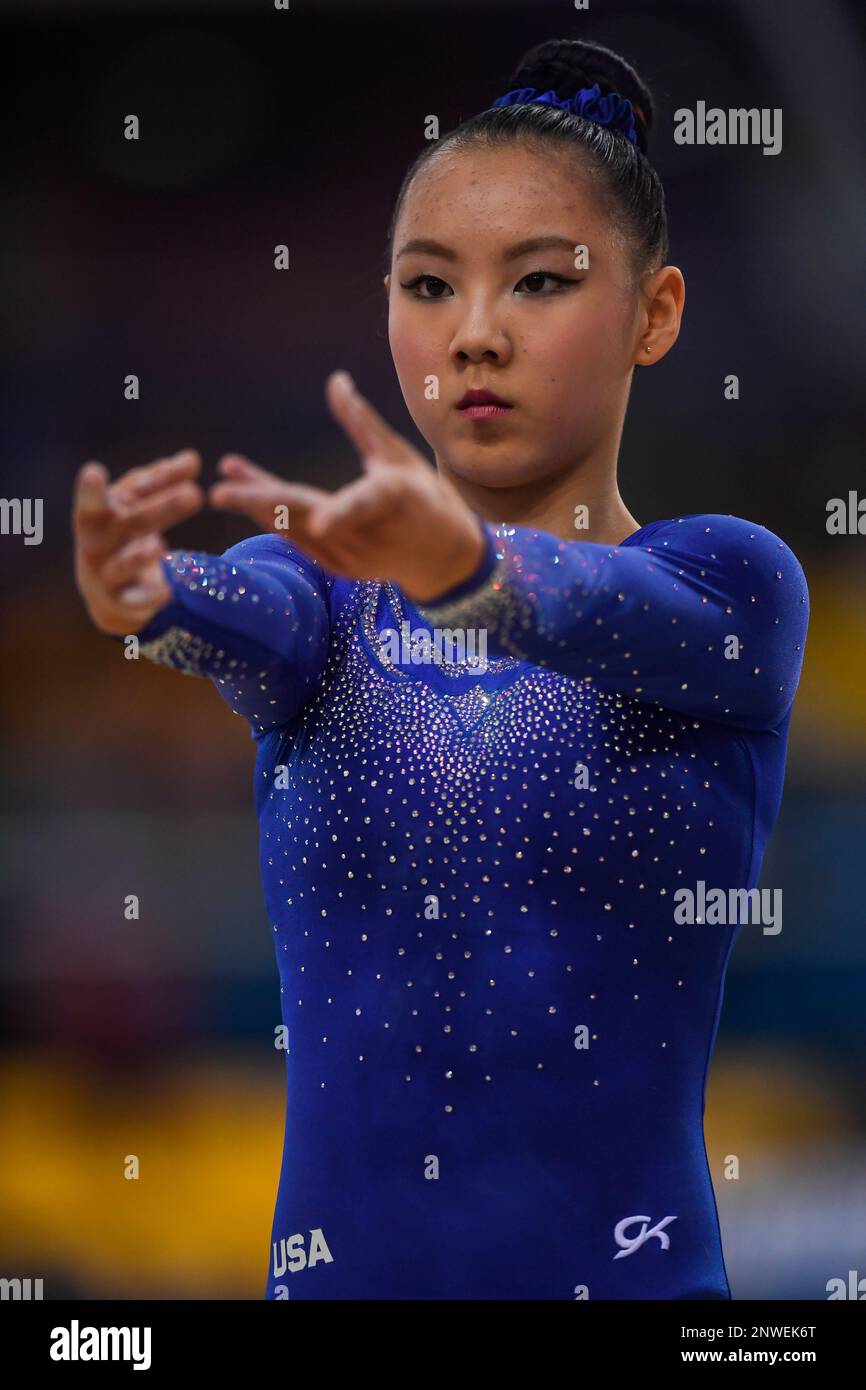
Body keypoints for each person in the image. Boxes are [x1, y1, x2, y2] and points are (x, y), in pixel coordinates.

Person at [72, 38, 808, 1299]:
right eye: (426, 286)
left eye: (537, 283)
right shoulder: (320, 589)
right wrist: (148, 597)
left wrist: (470, 566)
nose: (472, 335)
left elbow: (599, 606)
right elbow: (244, 615)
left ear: (655, 313)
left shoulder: (728, 581)